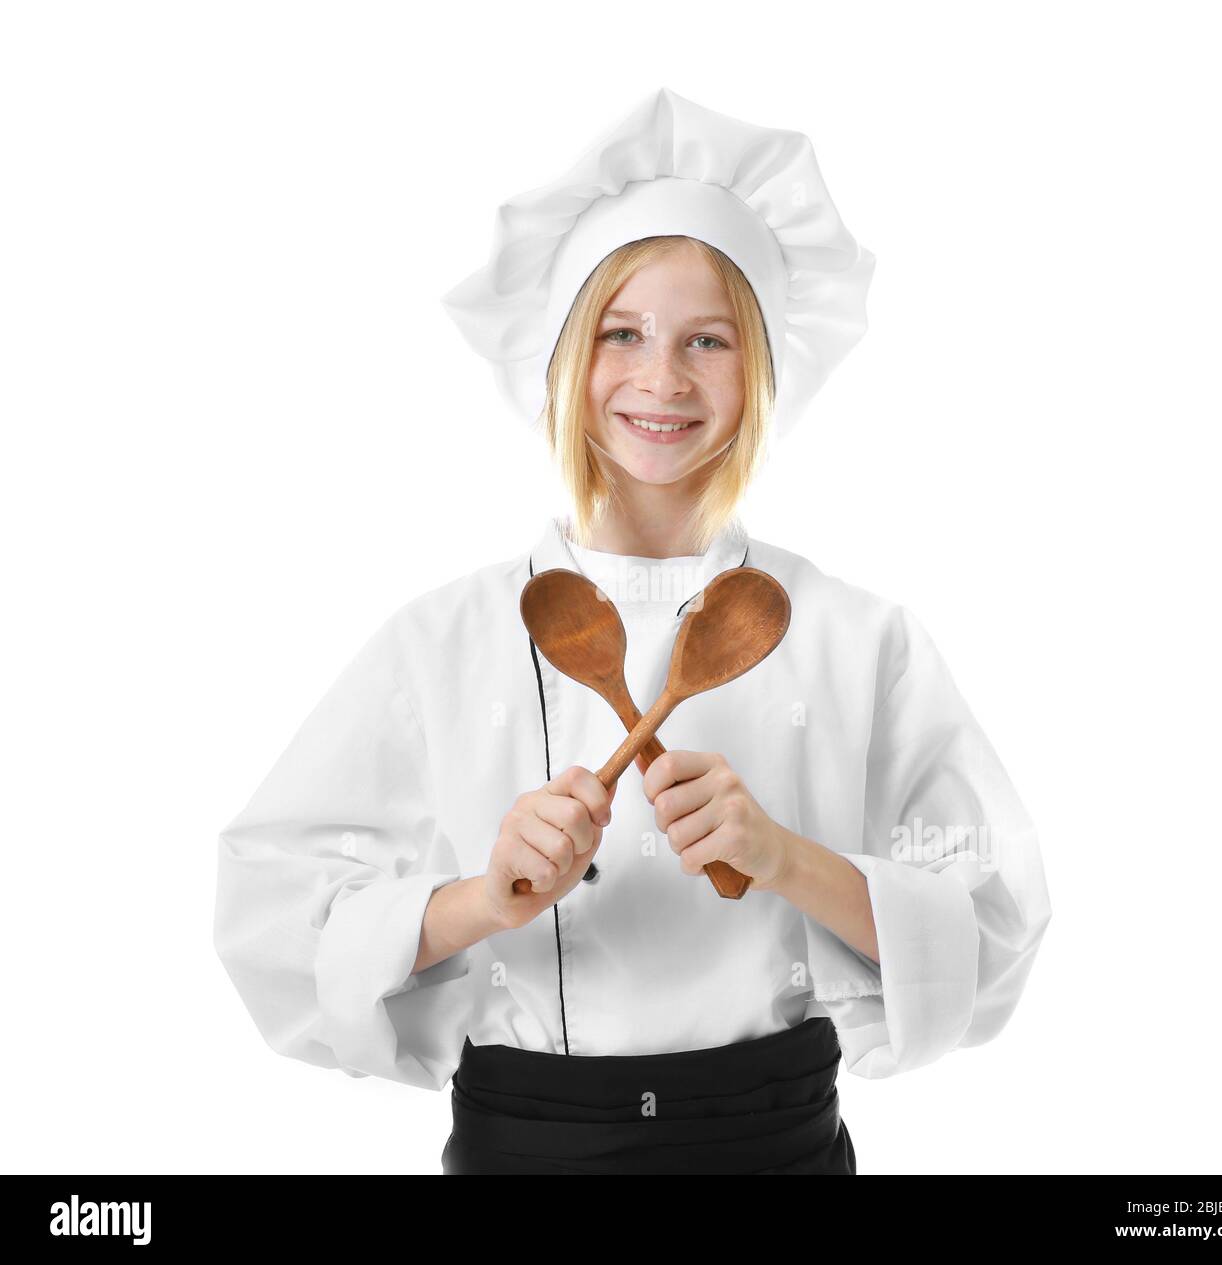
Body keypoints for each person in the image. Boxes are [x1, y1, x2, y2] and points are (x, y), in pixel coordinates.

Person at [213, 87, 1051, 1176]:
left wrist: (781, 855)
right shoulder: (446, 638)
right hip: (528, 1146)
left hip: (774, 1146)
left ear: (759, 370)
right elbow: (269, 915)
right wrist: (479, 895)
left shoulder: (858, 638)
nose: (661, 378)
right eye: (622, 333)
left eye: (707, 339)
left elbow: (991, 923)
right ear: (564, 358)